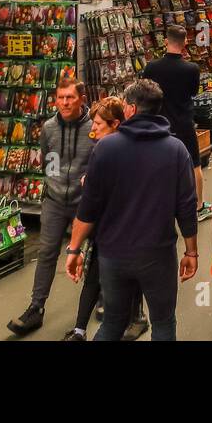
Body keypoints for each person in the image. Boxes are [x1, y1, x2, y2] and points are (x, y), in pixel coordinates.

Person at [65, 79, 199, 341]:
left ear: (131, 109)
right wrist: (191, 251)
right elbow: (186, 206)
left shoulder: (106, 148)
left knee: (113, 322)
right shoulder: (175, 150)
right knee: (163, 323)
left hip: (114, 255)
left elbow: (89, 206)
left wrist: (74, 248)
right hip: (157, 255)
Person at [8, 80, 96, 337]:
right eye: (60, 98)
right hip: (55, 201)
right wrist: (55, 186)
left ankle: (101, 297)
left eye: (70, 97)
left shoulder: (94, 128)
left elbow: (101, 159)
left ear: (81, 98)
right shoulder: (48, 128)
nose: (65, 103)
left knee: (96, 251)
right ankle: (36, 308)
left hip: (86, 203)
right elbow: (50, 161)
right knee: (46, 253)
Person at [65, 96, 150, 342]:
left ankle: (137, 318)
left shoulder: (129, 148)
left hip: (127, 227)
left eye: (98, 124)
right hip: (104, 225)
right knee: (94, 274)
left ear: (114, 124)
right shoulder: (99, 149)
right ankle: (79, 330)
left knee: (129, 276)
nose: (92, 128)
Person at [141, 25, 212, 221]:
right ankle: (199, 207)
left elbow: (145, 93)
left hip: (157, 124)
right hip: (183, 123)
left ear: (165, 41)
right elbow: (192, 93)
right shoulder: (191, 69)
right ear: (186, 43)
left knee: (156, 165)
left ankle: (159, 205)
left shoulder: (151, 67)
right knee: (194, 165)